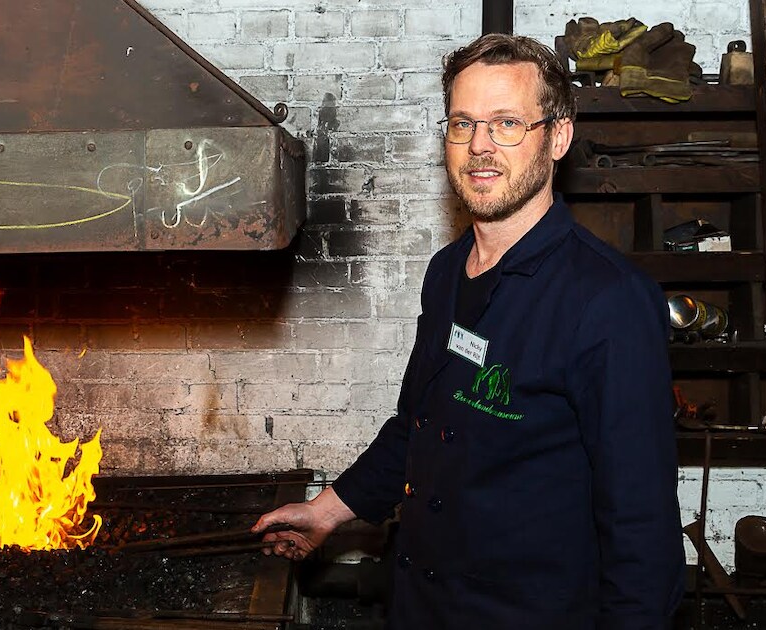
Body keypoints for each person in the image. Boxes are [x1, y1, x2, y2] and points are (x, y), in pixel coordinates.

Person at [253, 33, 685, 629]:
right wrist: (326, 511)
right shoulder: (446, 273)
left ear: (558, 137)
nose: (480, 146)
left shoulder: (609, 300)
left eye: (507, 123)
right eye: (463, 124)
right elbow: (419, 426)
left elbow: (643, 530)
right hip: (423, 605)